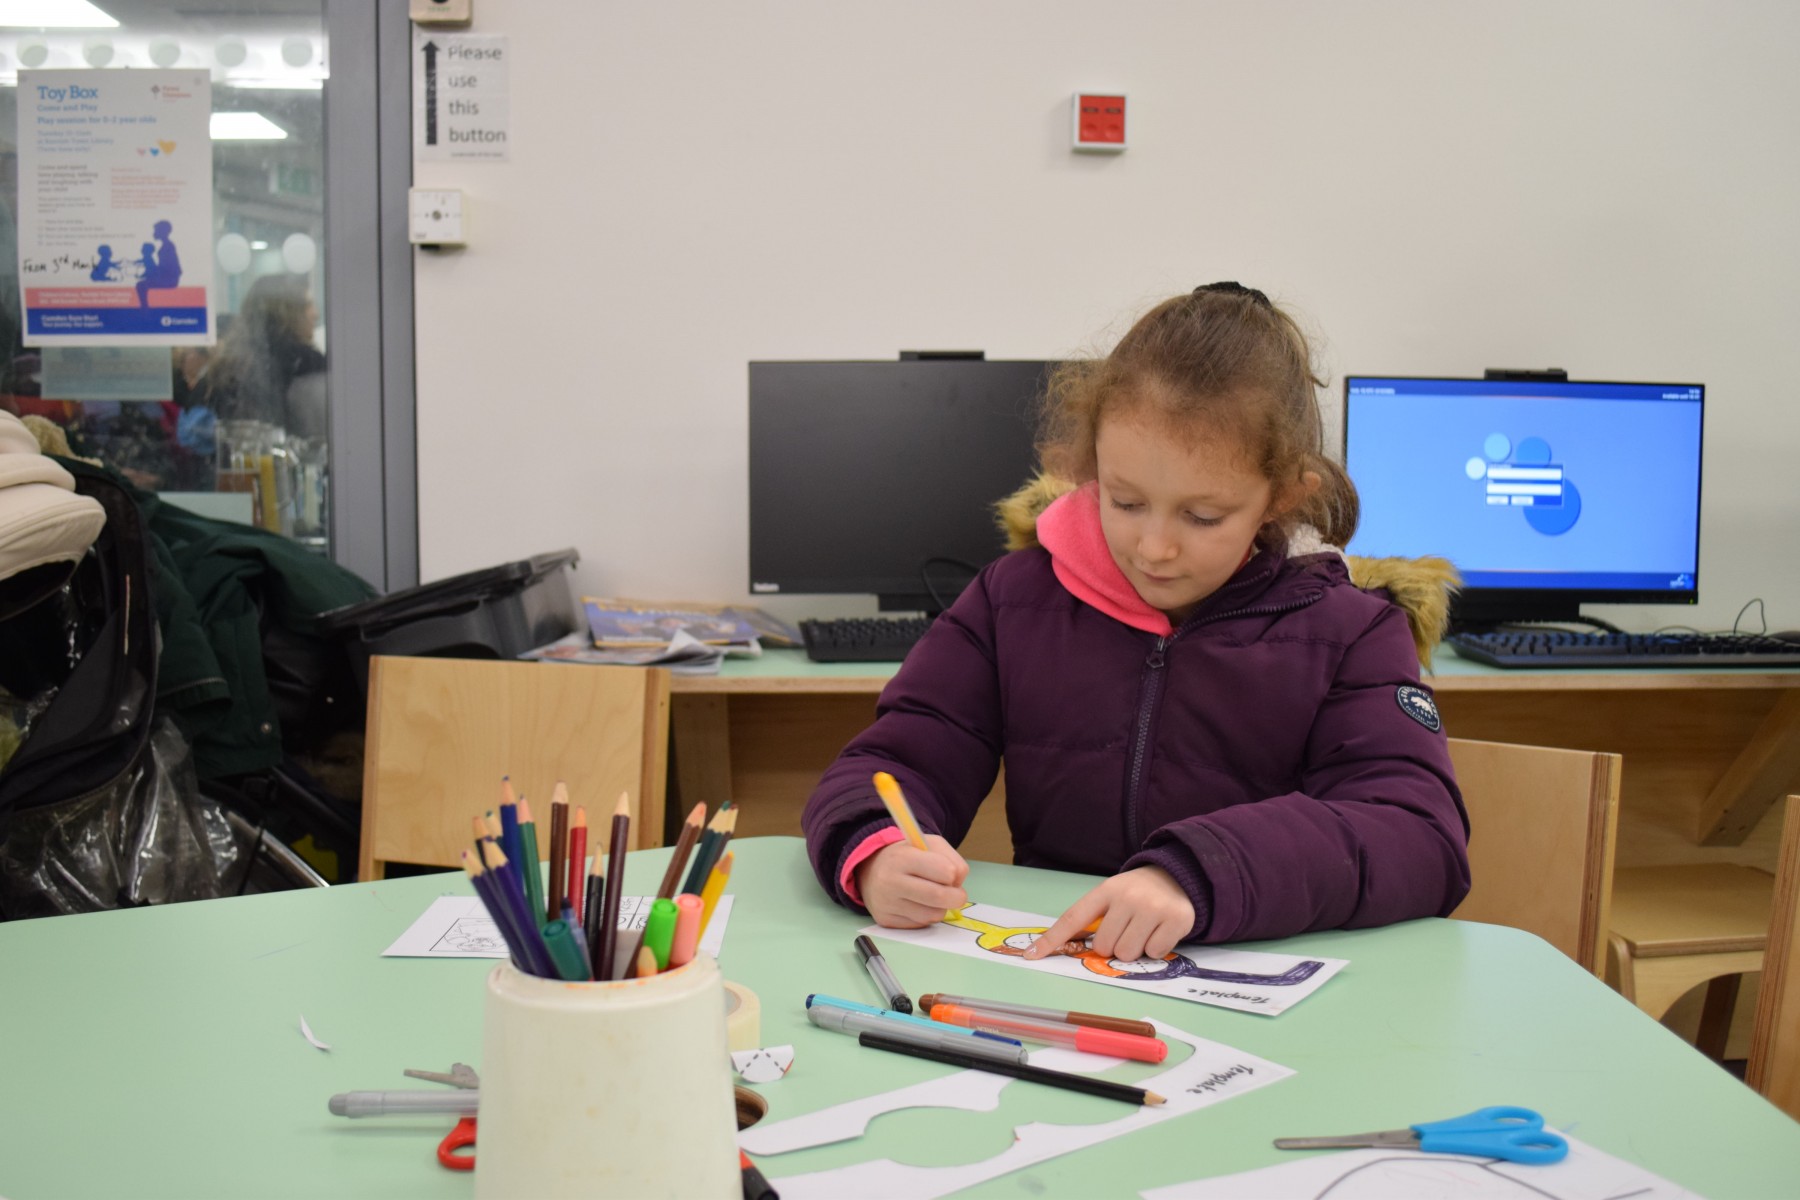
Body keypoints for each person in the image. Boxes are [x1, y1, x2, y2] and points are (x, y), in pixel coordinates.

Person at [801, 283, 1471, 962]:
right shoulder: (1014, 599)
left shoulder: (1351, 632)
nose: (1154, 548)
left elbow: (1417, 835)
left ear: (1283, 498)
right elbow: (897, 758)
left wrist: (1197, 876)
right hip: (1058, 969)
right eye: (1123, 501)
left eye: (1203, 517)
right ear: (1089, 466)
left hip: (1248, 979)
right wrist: (877, 849)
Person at [195, 273, 326, 439]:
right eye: (307, 305)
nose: (315, 314)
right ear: (286, 312)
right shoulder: (305, 364)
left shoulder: (230, 363)